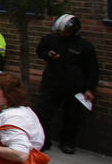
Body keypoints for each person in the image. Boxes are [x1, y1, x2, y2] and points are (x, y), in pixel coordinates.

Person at [35, 14, 98, 155]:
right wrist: (48, 55)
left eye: (65, 32)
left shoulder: (84, 47)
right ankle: (43, 141)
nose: (62, 34)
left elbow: (92, 69)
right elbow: (40, 51)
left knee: (71, 117)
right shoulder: (50, 39)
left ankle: (68, 142)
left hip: (74, 87)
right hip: (52, 83)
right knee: (43, 113)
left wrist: (89, 88)